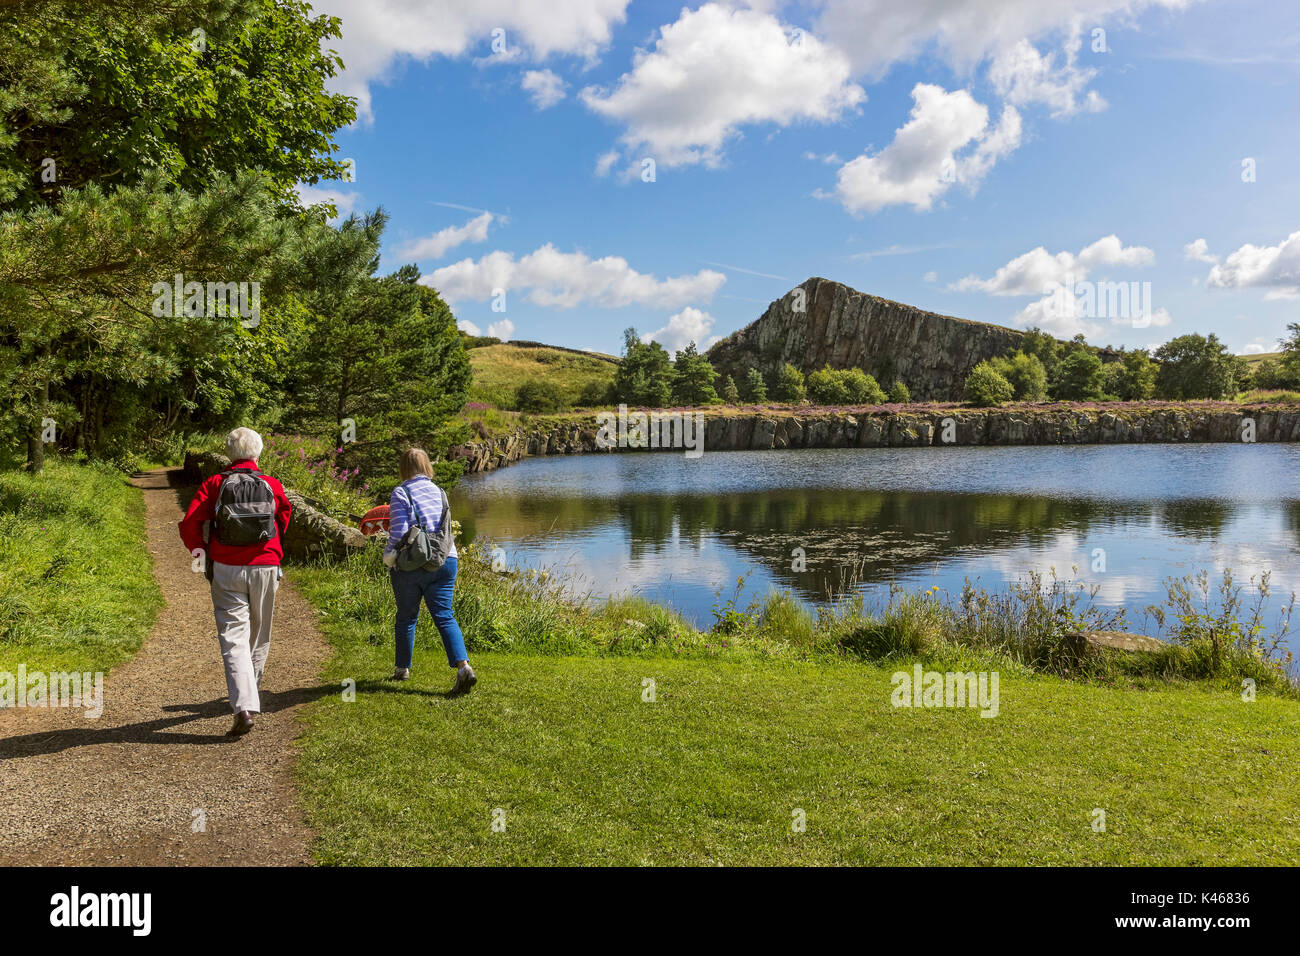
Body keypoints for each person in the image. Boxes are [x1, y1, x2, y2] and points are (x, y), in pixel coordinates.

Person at [178, 427, 292, 736]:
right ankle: (250, 695)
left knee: (233, 638)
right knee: (259, 634)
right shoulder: (272, 484)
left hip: (227, 567)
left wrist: (200, 553)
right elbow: (283, 519)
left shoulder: (215, 483)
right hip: (266, 565)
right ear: (258, 453)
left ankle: (244, 705)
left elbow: (191, 523)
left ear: (229, 454)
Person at [382, 447, 476, 694]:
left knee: (406, 616)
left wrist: (389, 556)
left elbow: (400, 532)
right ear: (426, 466)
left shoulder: (401, 492)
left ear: (404, 468)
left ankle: (402, 669)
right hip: (446, 560)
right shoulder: (441, 492)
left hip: (413, 564)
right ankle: (463, 668)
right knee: (445, 615)